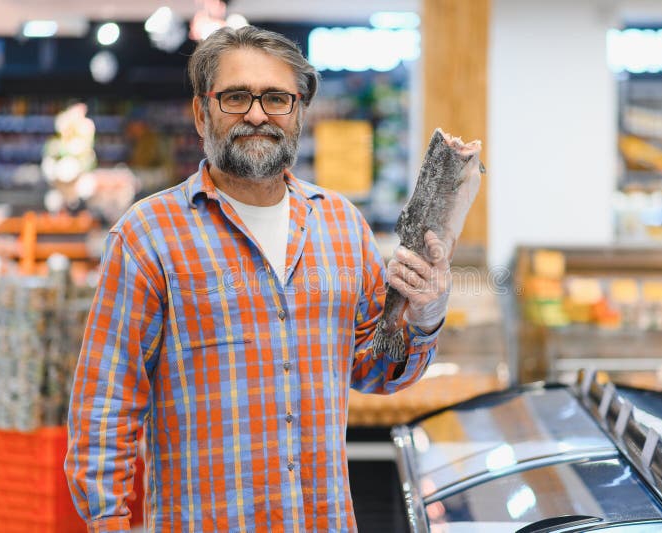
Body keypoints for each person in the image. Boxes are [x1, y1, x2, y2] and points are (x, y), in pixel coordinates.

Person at [65, 25, 457, 532]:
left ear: (298, 112)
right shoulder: (147, 237)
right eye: (235, 97)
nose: (257, 113)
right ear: (201, 112)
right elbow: (105, 404)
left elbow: (372, 370)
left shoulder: (341, 225)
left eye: (276, 98)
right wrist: (108, 521)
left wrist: (424, 317)